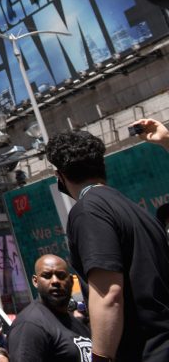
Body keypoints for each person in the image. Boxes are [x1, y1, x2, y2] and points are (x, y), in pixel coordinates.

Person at [46, 129, 169, 362]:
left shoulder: (88, 211)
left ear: (60, 176)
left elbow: (108, 294)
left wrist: (101, 358)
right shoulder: (137, 211)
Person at [7, 254, 92, 362]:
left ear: (71, 281)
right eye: (47, 276)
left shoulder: (76, 323)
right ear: (35, 281)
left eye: (61, 275)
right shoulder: (30, 325)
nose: (55, 281)